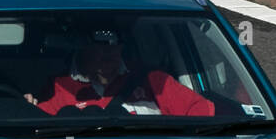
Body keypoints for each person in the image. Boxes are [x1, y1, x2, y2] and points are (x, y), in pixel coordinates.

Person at [27, 30, 215, 117]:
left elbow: (202, 116)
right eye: (100, 50)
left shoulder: (154, 81)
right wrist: (27, 110)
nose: (109, 57)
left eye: (114, 49)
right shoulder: (58, 88)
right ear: (83, 50)